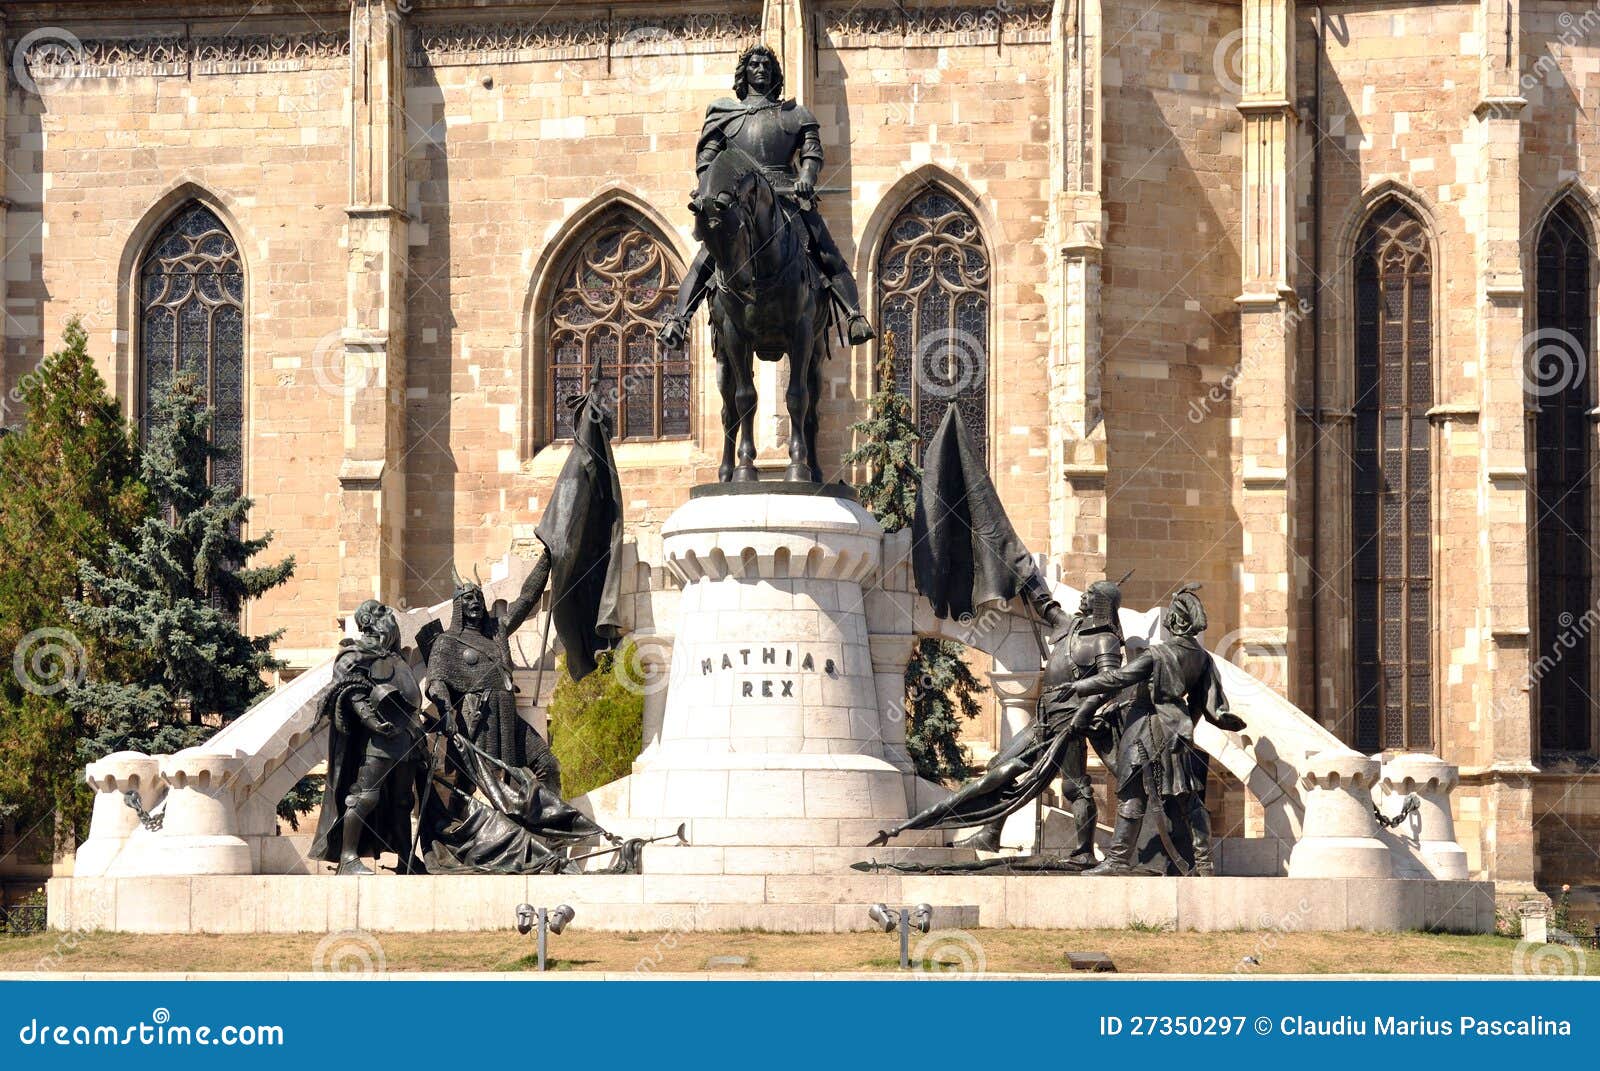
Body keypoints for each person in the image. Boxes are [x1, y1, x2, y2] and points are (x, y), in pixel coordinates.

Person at [657, 44, 875, 351]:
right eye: (755, 65)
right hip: (737, 198)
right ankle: (679, 319)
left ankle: (854, 315)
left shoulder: (796, 114)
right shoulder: (724, 114)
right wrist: (708, 189)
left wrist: (806, 178)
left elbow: (812, 154)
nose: (762, 69)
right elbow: (708, 160)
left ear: (776, 73)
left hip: (786, 196)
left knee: (826, 253)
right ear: (744, 73)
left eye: (767, 66)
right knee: (707, 256)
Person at [1069, 586, 1246, 875]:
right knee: (1189, 798)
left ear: (1175, 622)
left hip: (1144, 729)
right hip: (1177, 732)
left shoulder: (1157, 654)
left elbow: (1117, 677)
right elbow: (1212, 706)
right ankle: (1204, 863)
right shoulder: (1203, 658)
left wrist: (1079, 686)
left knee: (1131, 795)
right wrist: (1222, 720)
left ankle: (1117, 860)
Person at [425, 554, 562, 793]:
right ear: (459, 604)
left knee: (548, 765)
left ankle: (550, 823)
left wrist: (547, 559)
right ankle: (456, 823)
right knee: (475, 783)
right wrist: (445, 710)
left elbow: (527, 598)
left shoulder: (496, 630)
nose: (475, 601)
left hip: (507, 714)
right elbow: (436, 681)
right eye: (468, 598)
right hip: (477, 717)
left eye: (478, 596)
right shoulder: (447, 641)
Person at [310, 599, 425, 875]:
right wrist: (371, 720)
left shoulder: (397, 657)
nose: (390, 616)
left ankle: (405, 857)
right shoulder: (356, 653)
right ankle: (347, 858)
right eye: (383, 612)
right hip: (379, 741)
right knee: (365, 796)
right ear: (369, 621)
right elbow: (348, 688)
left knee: (402, 801)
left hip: (407, 739)